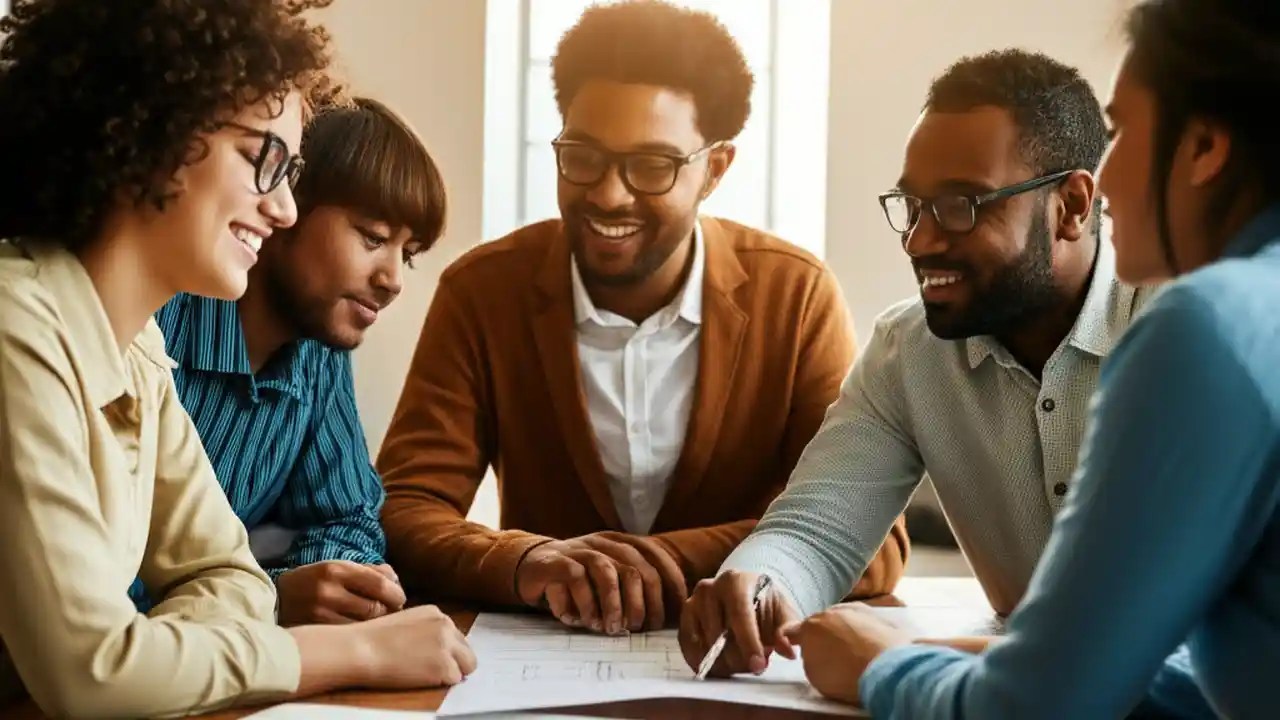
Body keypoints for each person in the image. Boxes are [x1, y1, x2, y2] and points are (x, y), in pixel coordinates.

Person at [786, 1, 1280, 718]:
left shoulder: (1204, 327)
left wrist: (884, 667)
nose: (1105, 180)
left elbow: (1035, 709)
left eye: (1122, 130)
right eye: (912, 207)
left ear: (1202, 146)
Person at [376, 0, 907, 638]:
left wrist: (663, 561)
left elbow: (871, 539)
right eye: (583, 156)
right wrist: (526, 561)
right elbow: (405, 509)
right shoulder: (483, 292)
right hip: (540, 669)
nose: (608, 193)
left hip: (735, 669)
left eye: (652, 166)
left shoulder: (794, 296)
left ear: (715, 169)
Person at [0, 2, 472, 717]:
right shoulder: (15, 329)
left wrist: (163, 654)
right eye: (267, 161)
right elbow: (93, 674)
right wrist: (360, 651)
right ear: (158, 129)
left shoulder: (135, 349)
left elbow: (230, 573)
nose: (283, 210)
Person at [681, 48, 1149, 675]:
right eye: (914, 206)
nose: (919, 240)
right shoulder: (908, 352)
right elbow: (817, 530)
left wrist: (897, 665)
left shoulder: (1180, 329)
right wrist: (757, 582)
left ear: (1071, 205)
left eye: (963, 206)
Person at [128, 96, 447, 627]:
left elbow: (350, 517)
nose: (393, 279)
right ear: (284, 202)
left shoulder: (317, 352)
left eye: (406, 252)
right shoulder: (160, 319)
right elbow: (103, 592)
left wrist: (322, 586)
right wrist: (271, 602)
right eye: (373, 237)